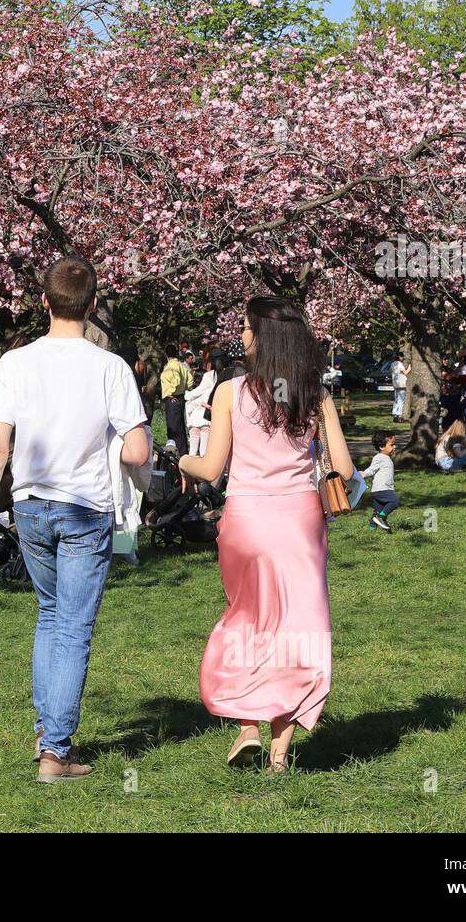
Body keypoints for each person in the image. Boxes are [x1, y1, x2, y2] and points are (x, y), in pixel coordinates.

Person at [0, 255, 151, 784]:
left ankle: (46, 728)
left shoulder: (14, 363)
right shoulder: (110, 367)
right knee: (72, 629)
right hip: (83, 509)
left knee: (50, 617)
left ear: (44, 302)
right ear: (93, 306)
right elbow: (138, 452)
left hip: (28, 507)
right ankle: (56, 751)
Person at [179, 296, 354, 774]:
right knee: (298, 629)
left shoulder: (230, 392)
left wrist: (180, 461)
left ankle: (247, 725)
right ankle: (280, 753)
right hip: (299, 522)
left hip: (246, 521)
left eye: (246, 328)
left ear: (261, 337)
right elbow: (342, 467)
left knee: (247, 620)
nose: (242, 335)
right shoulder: (315, 394)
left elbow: (211, 469)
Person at [361, 431, 399, 532]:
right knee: (394, 502)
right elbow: (371, 469)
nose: (394, 447)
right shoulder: (379, 458)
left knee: (378, 510)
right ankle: (381, 518)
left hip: (381, 489)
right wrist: (364, 474)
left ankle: (371, 529)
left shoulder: (386, 458)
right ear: (382, 447)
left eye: (395, 444)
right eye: (392, 445)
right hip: (382, 489)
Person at [184, 349, 218, 457]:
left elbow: (188, 405)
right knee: (204, 452)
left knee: (192, 451)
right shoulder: (210, 389)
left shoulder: (192, 394)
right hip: (206, 419)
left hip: (194, 419)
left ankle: (189, 472)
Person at [160, 343, 192, 449]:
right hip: (180, 397)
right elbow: (190, 380)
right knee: (180, 427)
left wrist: (171, 393)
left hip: (173, 398)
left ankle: (175, 455)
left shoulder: (171, 366)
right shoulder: (181, 365)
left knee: (173, 428)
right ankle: (183, 452)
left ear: (166, 354)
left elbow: (176, 380)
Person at [390, 352, 409, 421]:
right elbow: (406, 372)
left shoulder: (392, 364)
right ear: (399, 357)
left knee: (396, 400)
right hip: (402, 384)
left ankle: (395, 414)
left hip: (395, 384)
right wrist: (410, 367)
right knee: (401, 400)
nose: (403, 358)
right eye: (402, 357)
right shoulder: (400, 364)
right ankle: (400, 415)